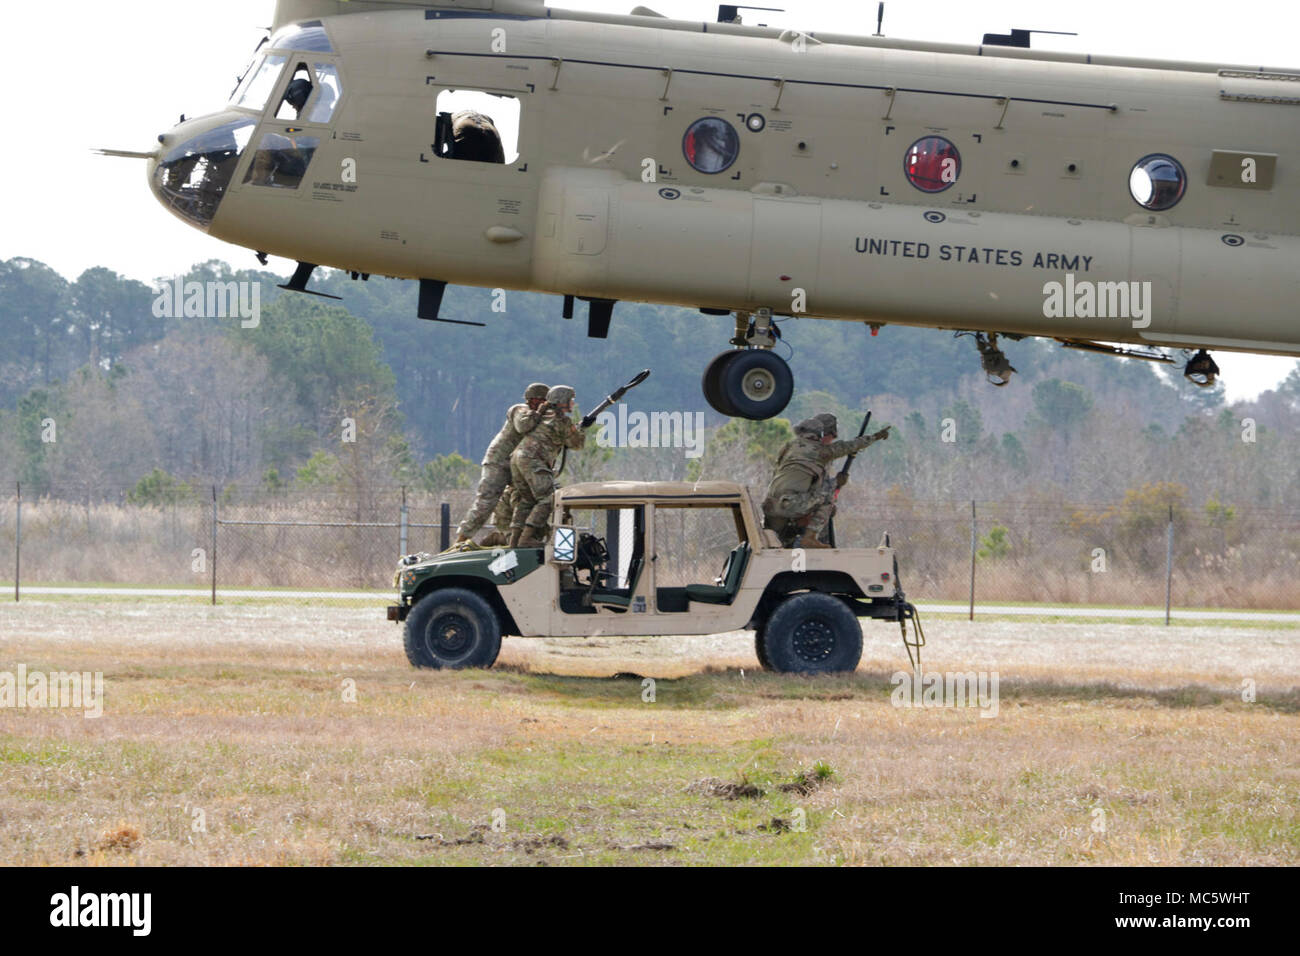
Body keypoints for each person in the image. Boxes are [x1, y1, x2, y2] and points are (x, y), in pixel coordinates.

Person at [762, 414, 890, 549]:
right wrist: (875, 437)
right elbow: (851, 446)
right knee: (828, 498)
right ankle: (810, 537)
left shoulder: (788, 448)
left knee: (779, 547)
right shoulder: (820, 451)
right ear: (820, 435)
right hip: (791, 505)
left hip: (770, 506)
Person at [451, 383, 549, 548]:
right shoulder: (520, 410)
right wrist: (540, 412)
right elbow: (522, 425)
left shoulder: (540, 418)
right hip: (498, 462)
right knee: (486, 502)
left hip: (516, 465)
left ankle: (509, 538)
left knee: (528, 498)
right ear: (534, 401)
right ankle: (460, 541)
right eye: (542, 401)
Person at [510, 386, 585, 547]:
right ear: (562, 401)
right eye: (571, 400)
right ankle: (526, 539)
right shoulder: (562, 420)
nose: (573, 404)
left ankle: (514, 541)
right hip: (533, 460)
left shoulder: (542, 415)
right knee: (549, 498)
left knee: (527, 500)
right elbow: (576, 444)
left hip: (517, 459)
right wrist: (581, 430)